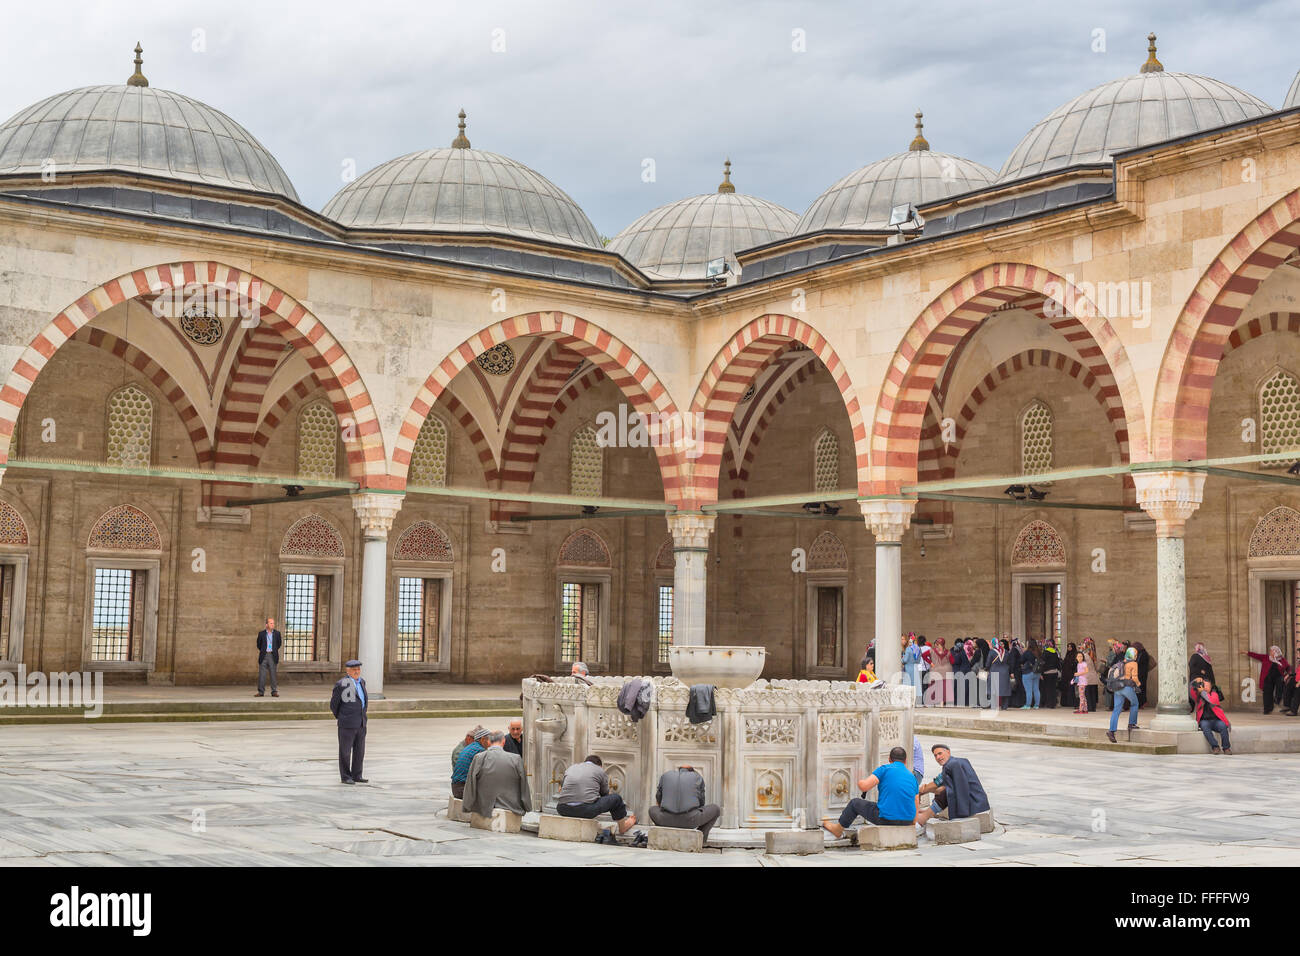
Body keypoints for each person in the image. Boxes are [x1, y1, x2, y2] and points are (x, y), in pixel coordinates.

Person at [820, 746, 918, 838]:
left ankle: (838, 829)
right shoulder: (912, 777)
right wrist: (912, 823)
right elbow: (916, 802)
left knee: (855, 803)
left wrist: (859, 781)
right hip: (907, 821)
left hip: (886, 819)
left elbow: (864, 787)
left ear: (889, 759)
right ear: (905, 761)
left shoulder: (884, 769)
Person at [556, 755, 637, 834]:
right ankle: (623, 827)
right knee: (616, 799)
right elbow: (605, 794)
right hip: (585, 810)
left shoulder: (571, 768)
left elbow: (561, 788)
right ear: (599, 765)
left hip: (562, 809)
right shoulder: (599, 770)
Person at [916, 744, 990, 828]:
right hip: (981, 801)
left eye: (940, 753)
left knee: (946, 793)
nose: (938, 757)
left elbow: (936, 783)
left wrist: (920, 791)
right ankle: (928, 812)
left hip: (974, 802)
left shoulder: (951, 764)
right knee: (942, 790)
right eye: (935, 755)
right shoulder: (959, 761)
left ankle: (924, 817)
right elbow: (941, 785)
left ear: (948, 752)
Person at [462, 731, 531, 816]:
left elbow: (470, 783)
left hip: (483, 808)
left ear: (488, 742)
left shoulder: (478, 758)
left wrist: (467, 805)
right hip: (511, 807)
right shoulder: (516, 759)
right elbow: (523, 785)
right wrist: (527, 806)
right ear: (504, 741)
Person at [649, 765, 720, 841]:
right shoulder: (697, 777)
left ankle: (665, 836)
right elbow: (701, 802)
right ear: (692, 771)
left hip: (665, 820)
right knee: (716, 809)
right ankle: (700, 839)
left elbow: (659, 798)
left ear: (679, 769)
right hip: (690, 820)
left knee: (652, 809)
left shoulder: (665, 775)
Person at [329, 659, 368, 784]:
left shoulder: (362, 682)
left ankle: (357, 774)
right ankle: (346, 776)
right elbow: (334, 704)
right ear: (348, 671)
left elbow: (364, 701)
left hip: (361, 722)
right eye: (354, 670)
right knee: (345, 751)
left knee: (359, 751)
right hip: (347, 723)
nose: (357, 672)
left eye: (358, 669)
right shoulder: (342, 684)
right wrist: (342, 717)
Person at [1106, 647, 1141, 743]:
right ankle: (1132, 723)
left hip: (1117, 688)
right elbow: (1134, 677)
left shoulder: (1122, 662)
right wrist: (1138, 685)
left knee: (1116, 710)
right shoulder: (1133, 663)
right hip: (1126, 687)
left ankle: (1111, 731)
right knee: (1135, 703)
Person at [1191, 678, 1232, 754]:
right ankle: (1215, 747)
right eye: (1204, 685)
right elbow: (1190, 691)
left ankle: (1226, 748)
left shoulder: (1214, 694)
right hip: (1205, 720)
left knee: (1223, 726)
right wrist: (1194, 681)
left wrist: (1202, 691)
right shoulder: (1199, 695)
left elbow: (1211, 700)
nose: (1205, 688)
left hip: (1216, 720)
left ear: (1210, 687)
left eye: (1207, 686)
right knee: (1205, 728)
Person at [1244, 646, 1289, 714]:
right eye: (1270, 651)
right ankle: (1267, 709)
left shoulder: (1281, 660)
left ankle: (1277, 699)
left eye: (1272, 651)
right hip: (1268, 677)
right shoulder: (1266, 657)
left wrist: (1288, 674)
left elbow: (1288, 667)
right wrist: (1247, 653)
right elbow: (1256, 655)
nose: (1270, 652)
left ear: (1276, 652)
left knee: (1280, 687)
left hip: (1278, 677)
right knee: (1267, 693)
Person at [451, 728, 488, 798]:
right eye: (489, 740)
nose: (490, 743)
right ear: (483, 739)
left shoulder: (469, 747)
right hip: (462, 789)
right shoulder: (479, 750)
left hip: (457, 787)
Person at [255, 616, 282, 698]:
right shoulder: (261, 634)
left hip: (272, 655)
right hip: (264, 655)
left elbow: (279, 644)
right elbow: (258, 645)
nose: (272, 624)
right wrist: (264, 650)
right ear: (266, 624)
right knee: (262, 675)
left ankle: (274, 691)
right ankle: (260, 692)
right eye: (271, 623)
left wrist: (272, 650)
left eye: (273, 623)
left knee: (273, 674)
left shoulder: (277, 633)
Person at [1189, 643, 1216, 707]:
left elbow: (1191, 666)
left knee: (1196, 697)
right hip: (1206, 681)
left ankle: (1210, 703)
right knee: (1204, 698)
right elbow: (1210, 672)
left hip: (1196, 680)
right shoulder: (1207, 658)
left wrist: (1199, 671)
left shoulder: (1194, 656)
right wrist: (1213, 683)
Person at [987, 639, 1011, 710]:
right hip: (1005, 672)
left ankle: (994, 705)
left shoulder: (991, 652)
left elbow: (988, 663)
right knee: (1004, 689)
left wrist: (987, 668)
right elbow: (1009, 662)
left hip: (994, 671)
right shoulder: (1006, 652)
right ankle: (1004, 706)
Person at [1039, 638, 1062, 709]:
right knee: (1053, 689)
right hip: (1054, 672)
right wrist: (1059, 670)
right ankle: (1053, 704)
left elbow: (1042, 663)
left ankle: (1048, 704)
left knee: (1047, 689)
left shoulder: (1045, 652)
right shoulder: (1055, 652)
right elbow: (1058, 663)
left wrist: (1041, 673)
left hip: (1047, 673)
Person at [930, 638, 953, 706]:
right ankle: (941, 703)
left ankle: (934, 702)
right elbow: (952, 661)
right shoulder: (947, 651)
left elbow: (924, 656)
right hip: (944, 672)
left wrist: (930, 662)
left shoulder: (932, 651)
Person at [1018, 639, 1041, 709]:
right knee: (1036, 689)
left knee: (1028, 690)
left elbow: (1021, 660)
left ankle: (1028, 705)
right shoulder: (1039, 652)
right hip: (1037, 672)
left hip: (1028, 672)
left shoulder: (1027, 652)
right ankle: (1036, 705)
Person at [1134, 641, 1153, 708]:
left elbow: (1138, 663)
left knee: (1141, 688)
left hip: (1141, 674)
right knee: (1141, 688)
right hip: (1141, 673)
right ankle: (1141, 703)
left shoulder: (1143, 654)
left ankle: (1142, 703)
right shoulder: (1141, 653)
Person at [1060, 642, 1079, 709]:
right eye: (1068, 647)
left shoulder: (1075, 655)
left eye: (1070, 647)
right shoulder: (1067, 654)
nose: (1069, 648)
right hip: (1065, 674)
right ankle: (1065, 702)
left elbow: (1075, 664)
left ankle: (1071, 702)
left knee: (1071, 688)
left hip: (1071, 674)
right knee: (1065, 688)